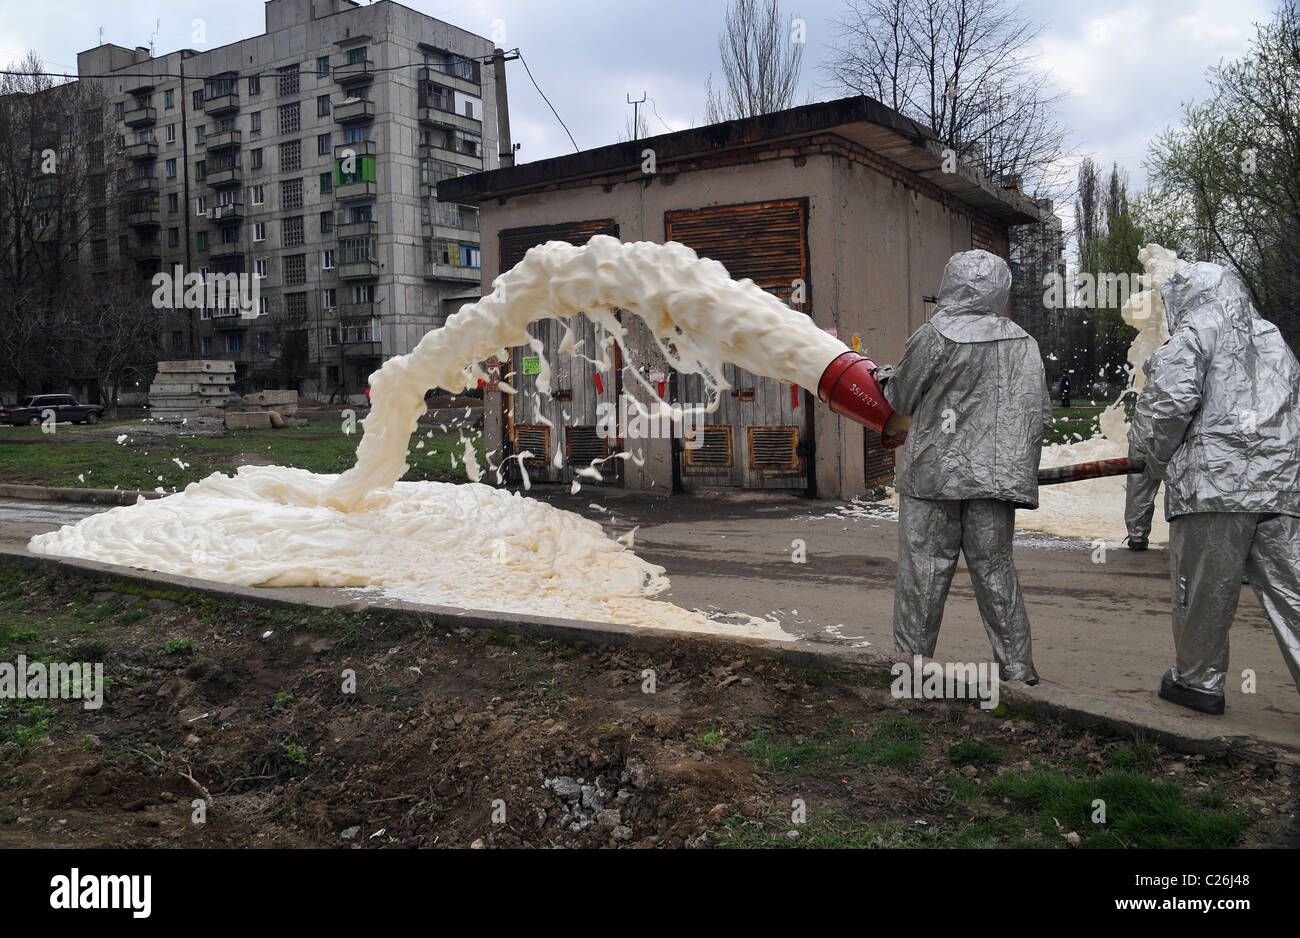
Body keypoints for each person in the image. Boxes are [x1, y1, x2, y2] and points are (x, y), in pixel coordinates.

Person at [1129, 262, 1300, 714]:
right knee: (1293, 591)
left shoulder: (1194, 334)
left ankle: (1197, 681)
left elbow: (1168, 407)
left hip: (1214, 486)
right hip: (1280, 487)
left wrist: (1152, 463)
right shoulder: (1272, 338)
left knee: (1203, 590)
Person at [883, 249, 1053, 685]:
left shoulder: (934, 335)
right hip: (994, 482)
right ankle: (1017, 669)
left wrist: (886, 377)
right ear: (1002, 288)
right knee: (996, 572)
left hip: (933, 478)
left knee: (924, 571)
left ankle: (912, 669)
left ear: (950, 284)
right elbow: (1039, 414)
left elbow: (900, 399)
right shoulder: (1025, 344)